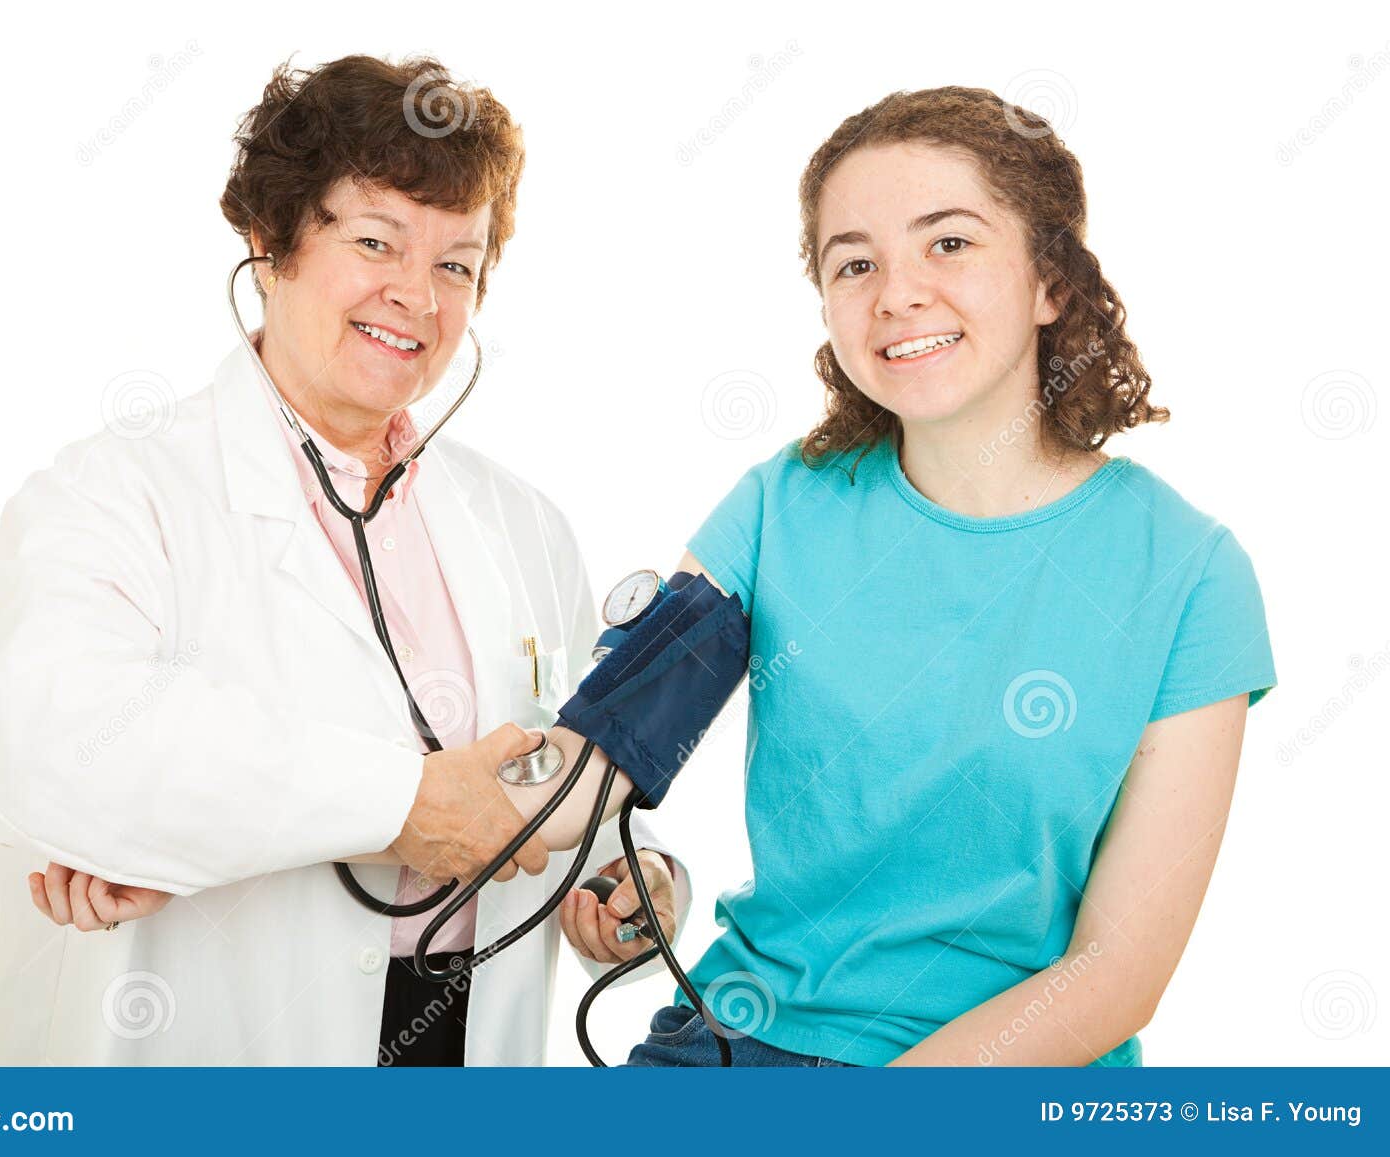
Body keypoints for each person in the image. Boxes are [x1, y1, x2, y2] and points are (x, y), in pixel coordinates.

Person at [490, 85, 1276, 1067]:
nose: (896, 292)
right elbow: (606, 749)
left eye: (948, 242)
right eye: (853, 261)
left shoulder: (1189, 573)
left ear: (1049, 282)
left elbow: (1118, 970)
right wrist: (617, 868)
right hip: (739, 1044)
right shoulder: (777, 506)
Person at [0, 54, 687, 1067]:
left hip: (464, 1042)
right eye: (374, 241)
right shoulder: (114, 492)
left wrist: (630, 871)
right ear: (270, 242)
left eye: (457, 264)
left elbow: (555, 767)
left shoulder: (523, 524)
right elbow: (66, 746)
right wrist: (406, 807)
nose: (417, 295)